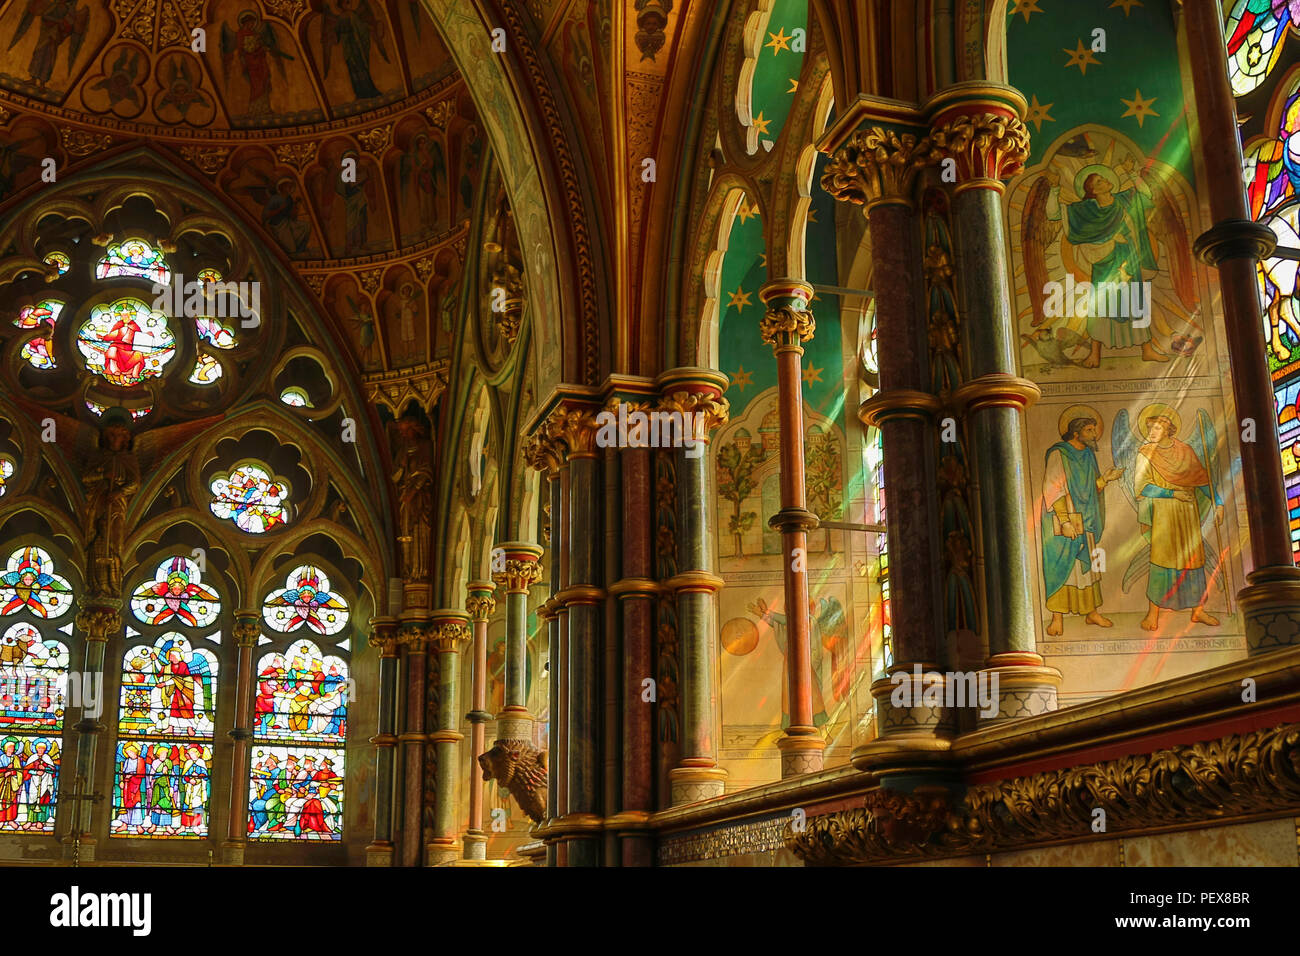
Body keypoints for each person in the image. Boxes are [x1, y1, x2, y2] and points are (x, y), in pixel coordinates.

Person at [1134, 407, 1223, 630]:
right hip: (1164, 513)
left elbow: (1203, 481)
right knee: (1162, 559)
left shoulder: (1185, 451)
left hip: (1188, 513)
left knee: (1193, 558)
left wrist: (1218, 502)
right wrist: (1173, 493)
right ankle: (1153, 613)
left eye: (1156, 427)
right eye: (1149, 428)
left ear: (1167, 429)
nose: (1151, 432)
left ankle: (1198, 610)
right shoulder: (1145, 453)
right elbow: (1142, 487)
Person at [1041, 409, 1124, 635]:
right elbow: (1052, 489)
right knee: (1062, 566)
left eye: (1094, 429)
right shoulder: (1059, 454)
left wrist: (1106, 478)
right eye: (1089, 430)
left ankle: (1091, 612)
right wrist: (1065, 521)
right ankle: (1057, 617)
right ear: (1076, 433)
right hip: (1063, 520)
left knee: (1087, 567)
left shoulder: (1088, 454)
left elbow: (1090, 489)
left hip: (1085, 519)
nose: (1094, 434)